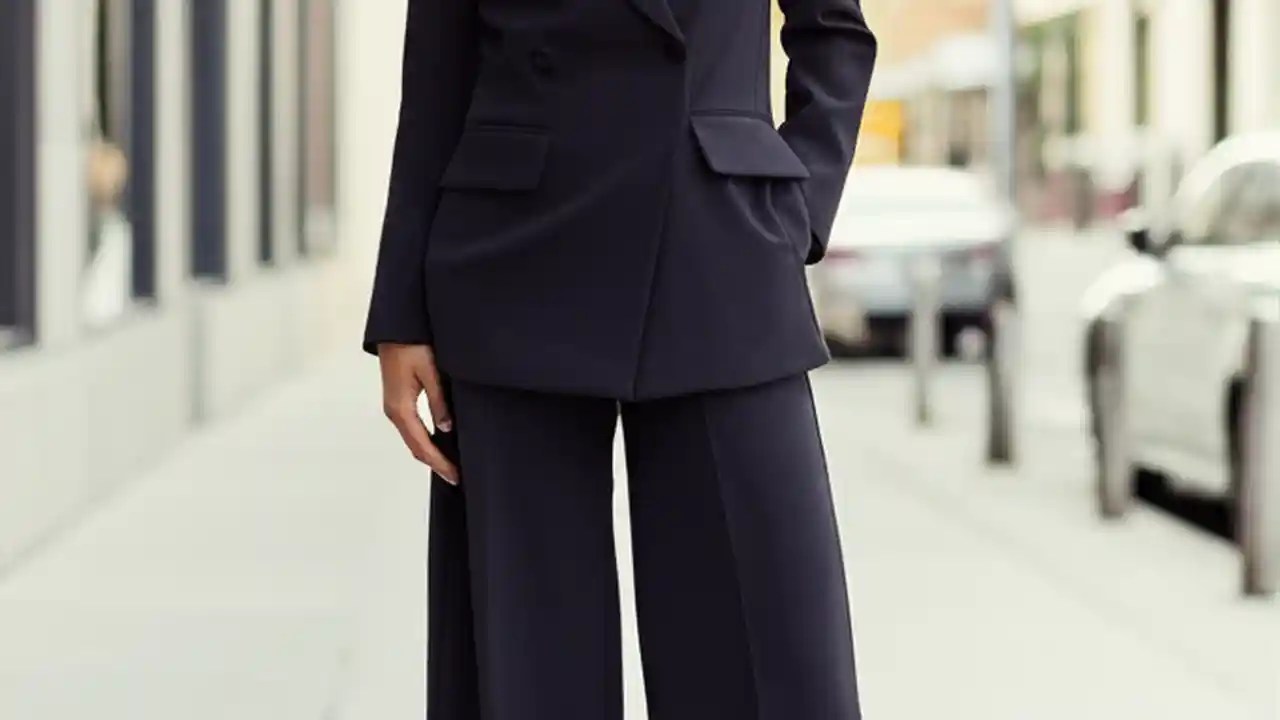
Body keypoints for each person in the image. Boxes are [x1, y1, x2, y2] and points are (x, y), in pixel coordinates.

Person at [365, 0, 876, 717]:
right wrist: (400, 312)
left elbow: (834, 33)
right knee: (527, 665)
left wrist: (798, 206)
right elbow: (435, 78)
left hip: (720, 246)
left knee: (769, 659)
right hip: (513, 255)